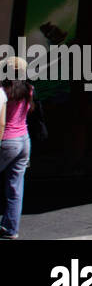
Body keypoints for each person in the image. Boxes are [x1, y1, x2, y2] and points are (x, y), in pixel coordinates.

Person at [0, 56, 34, 239]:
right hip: (24, 140)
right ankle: (11, 228)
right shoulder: (29, 89)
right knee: (15, 187)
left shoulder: (4, 91)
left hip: (7, 140)